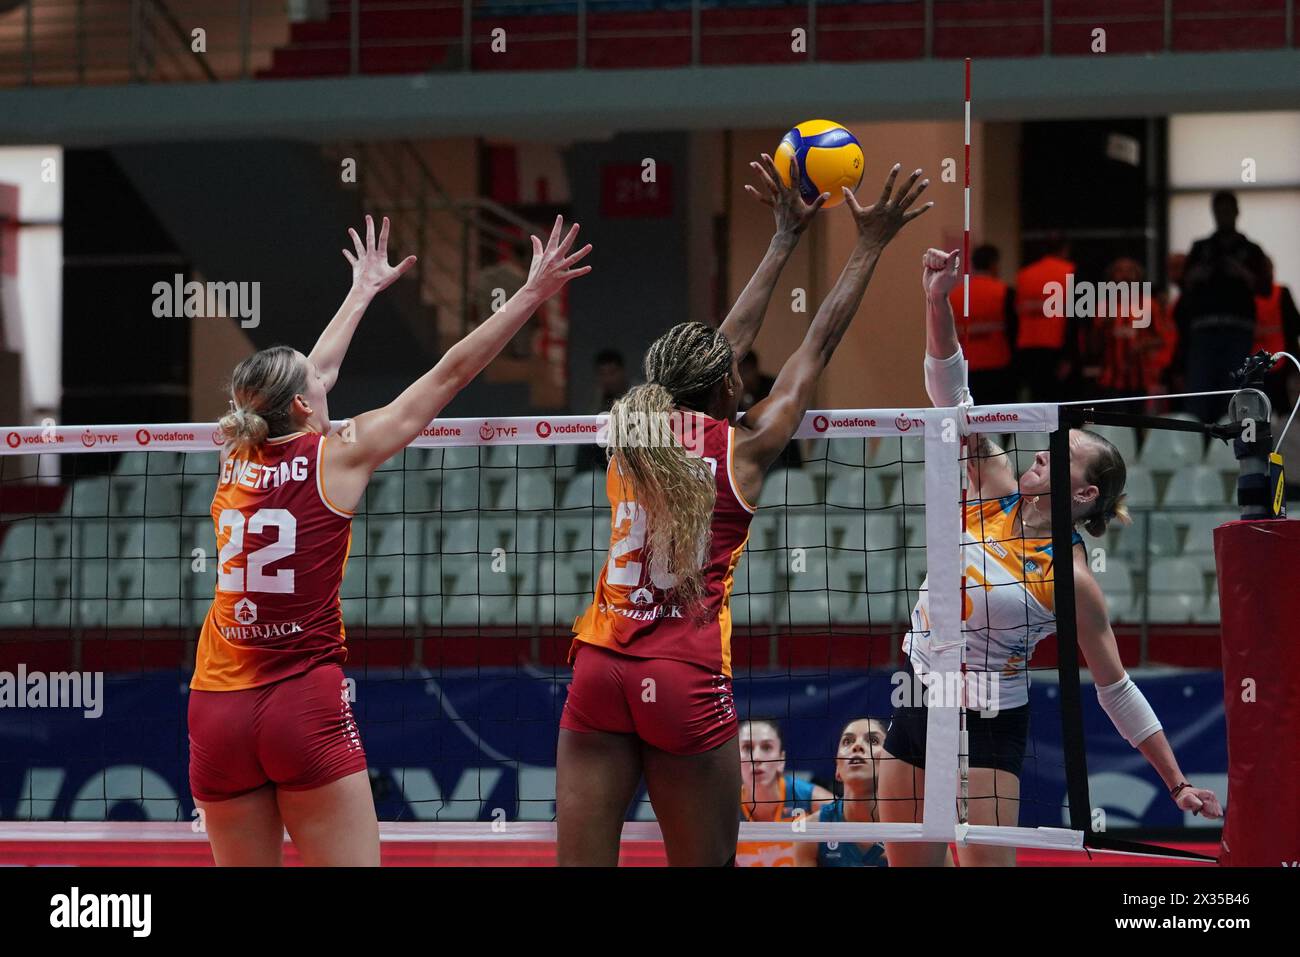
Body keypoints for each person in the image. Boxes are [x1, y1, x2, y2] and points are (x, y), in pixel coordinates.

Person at [555, 158, 932, 866]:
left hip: (599, 668)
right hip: (682, 673)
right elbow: (815, 342)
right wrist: (869, 244)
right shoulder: (747, 449)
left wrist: (783, 237)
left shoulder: (631, 427)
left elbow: (711, 350)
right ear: (729, 386)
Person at [188, 214, 590, 866]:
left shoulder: (234, 453)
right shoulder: (341, 453)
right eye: (315, 384)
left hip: (216, 709)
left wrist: (362, 291)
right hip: (300, 707)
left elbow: (310, 374)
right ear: (302, 408)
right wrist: (530, 296)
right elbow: (450, 372)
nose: (326, 379)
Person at [875, 247, 1223, 867]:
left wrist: (1177, 782)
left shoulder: (1074, 579)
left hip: (991, 715)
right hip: (921, 694)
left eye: (1059, 456)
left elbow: (1116, 689)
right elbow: (953, 394)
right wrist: (936, 300)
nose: (1041, 453)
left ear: (1083, 493)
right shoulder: (991, 487)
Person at [1178, 191, 1269, 422]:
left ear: (1236, 212)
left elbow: (1265, 288)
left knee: (1234, 390)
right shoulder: (1202, 248)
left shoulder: (1250, 250)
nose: (1224, 216)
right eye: (1220, 211)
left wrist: (1241, 273)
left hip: (1237, 329)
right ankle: (1197, 444)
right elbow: (1184, 283)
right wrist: (1199, 275)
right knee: (1199, 390)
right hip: (1204, 329)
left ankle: (1232, 444)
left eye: (1228, 210)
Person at [795, 717, 891, 867]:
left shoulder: (912, 825)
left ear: (892, 763)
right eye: (848, 741)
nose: (857, 746)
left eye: (872, 741)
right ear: (837, 770)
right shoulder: (811, 830)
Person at [737, 718, 833, 867]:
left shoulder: (811, 800)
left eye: (767, 747)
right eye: (747, 748)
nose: (756, 757)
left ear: (781, 760)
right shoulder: (723, 811)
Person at [951, 243, 1017, 406]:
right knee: (1000, 420)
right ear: (994, 264)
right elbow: (1013, 331)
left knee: (971, 420)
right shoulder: (1004, 292)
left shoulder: (955, 295)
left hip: (966, 369)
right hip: (998, 367)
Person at [1015, 234, 1075, 401]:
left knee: (1036, 397)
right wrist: (1070, 354)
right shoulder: (1069, 271)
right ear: (1065, 249)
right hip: (1055, 344)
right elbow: (1072, 316)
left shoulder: (1025, 274)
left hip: (1027, 345)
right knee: (1057, 399)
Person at [739, 351, 801, 467]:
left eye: (747, 371)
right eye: (740, 372)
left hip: (779, 452)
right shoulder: (733, 392)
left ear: (755, 369)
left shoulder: (771, 387)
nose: (744, 377)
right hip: (748, 450)